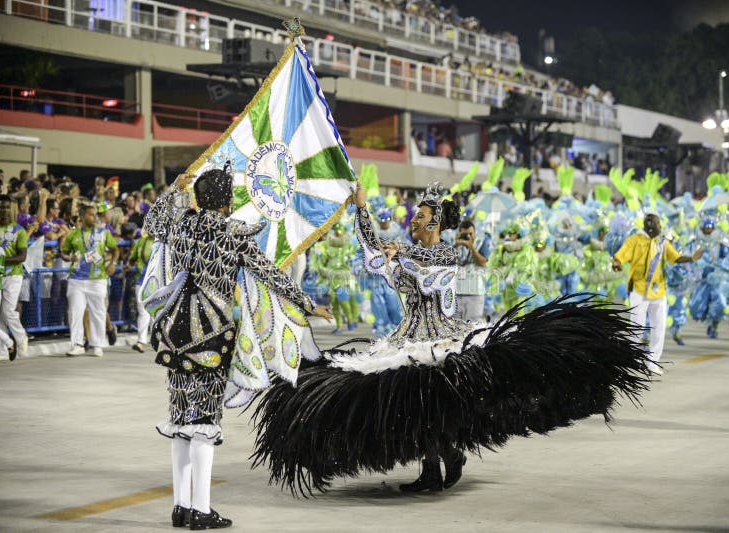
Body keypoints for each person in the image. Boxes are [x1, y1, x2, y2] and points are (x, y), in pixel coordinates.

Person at [248, 181, 651, 497]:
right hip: (407, 338)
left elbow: (418, 259)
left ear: (435, 224)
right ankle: (430, 469)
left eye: (420, 217)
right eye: (416, 216)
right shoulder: (410, 251)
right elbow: (376, 248)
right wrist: (361, 207)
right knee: (417, 405)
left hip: (442, 338)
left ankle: (450, 456)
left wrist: (398, 251)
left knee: (433, 399)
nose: (414, 220)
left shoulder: (444, 254)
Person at [143, 169, 331, 529]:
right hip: (212, 334)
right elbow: (272, 276)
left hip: (176, 332)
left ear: (199, 199)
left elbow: (153, 221)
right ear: (228, 201)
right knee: (205, 420)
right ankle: (201, 509)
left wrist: (174, 188)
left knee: (182, 416)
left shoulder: (182, 225)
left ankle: (181, 507)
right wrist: (309, 305)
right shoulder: (234, 234)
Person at [612, 213, 703, 375]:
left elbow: (675, 258)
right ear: (651, 226)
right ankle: (631, 360)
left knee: (659, 327)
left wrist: (692, 258)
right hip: (638, 290)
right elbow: (621, 255)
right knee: (636, 327)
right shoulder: (634, 240)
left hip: (658, 290)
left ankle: (652, 362)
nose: (661, 227)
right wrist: (617, 263)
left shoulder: (662, 242)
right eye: (658, 224)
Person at [60, 203, 119, 357]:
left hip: (97, 279)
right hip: (76, 279)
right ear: (82, 216)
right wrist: (69, 257)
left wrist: (113, 263)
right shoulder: (72, 235)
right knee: (75, 312)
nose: (95, 217)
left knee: (98, 312)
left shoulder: (104, 232)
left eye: (95, 214)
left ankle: (97, 345)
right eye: (91, 214)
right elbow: (64, 253)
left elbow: (115, 249)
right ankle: (77, 344)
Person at [0, 195, 28, 359]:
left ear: (13, 209)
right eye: (1, 207)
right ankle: (1, 350)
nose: (4, 210)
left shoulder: (19, 230)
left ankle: (21, 337)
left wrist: (0, 260)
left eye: (7, 207)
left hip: (13, 275)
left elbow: (22, 256)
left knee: (8, 311)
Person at [454, 220, 491, 322]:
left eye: (471, 234)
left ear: (475, 232)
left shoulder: (481, 242)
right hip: (457, 291)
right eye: (464, 234)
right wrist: (456, 245)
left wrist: (471, 247)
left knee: (473, 325)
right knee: (456, 326)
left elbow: (482, 262)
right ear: (459, 234)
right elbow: (446, 261)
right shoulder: (453, 243)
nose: (468, 236)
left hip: (475, 291)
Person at [127, 228, 154, 353]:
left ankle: (157, 341)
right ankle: (141, 342)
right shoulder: (141, 241)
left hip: (158, 283)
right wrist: (128, 264)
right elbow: (133, 258)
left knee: (157, 313)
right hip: (141, 281)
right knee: (143, 311)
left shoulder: (166, 242)